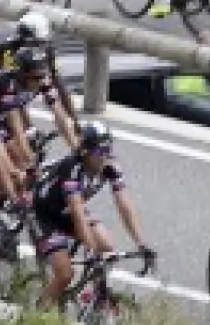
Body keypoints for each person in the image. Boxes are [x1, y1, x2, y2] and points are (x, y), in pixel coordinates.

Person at [30, 121, 152, 309]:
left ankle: (95, 295)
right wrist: (91, 249)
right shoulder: (73, 169)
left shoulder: (109, 167)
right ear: (86, 152)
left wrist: (141, 242)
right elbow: (78, 215)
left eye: (107, 151)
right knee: (65, 273)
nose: (104, 158)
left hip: (69, 210)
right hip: (47, 215)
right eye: (99, 152)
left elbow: (124, 205)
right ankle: (36, 316)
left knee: (106, 245)